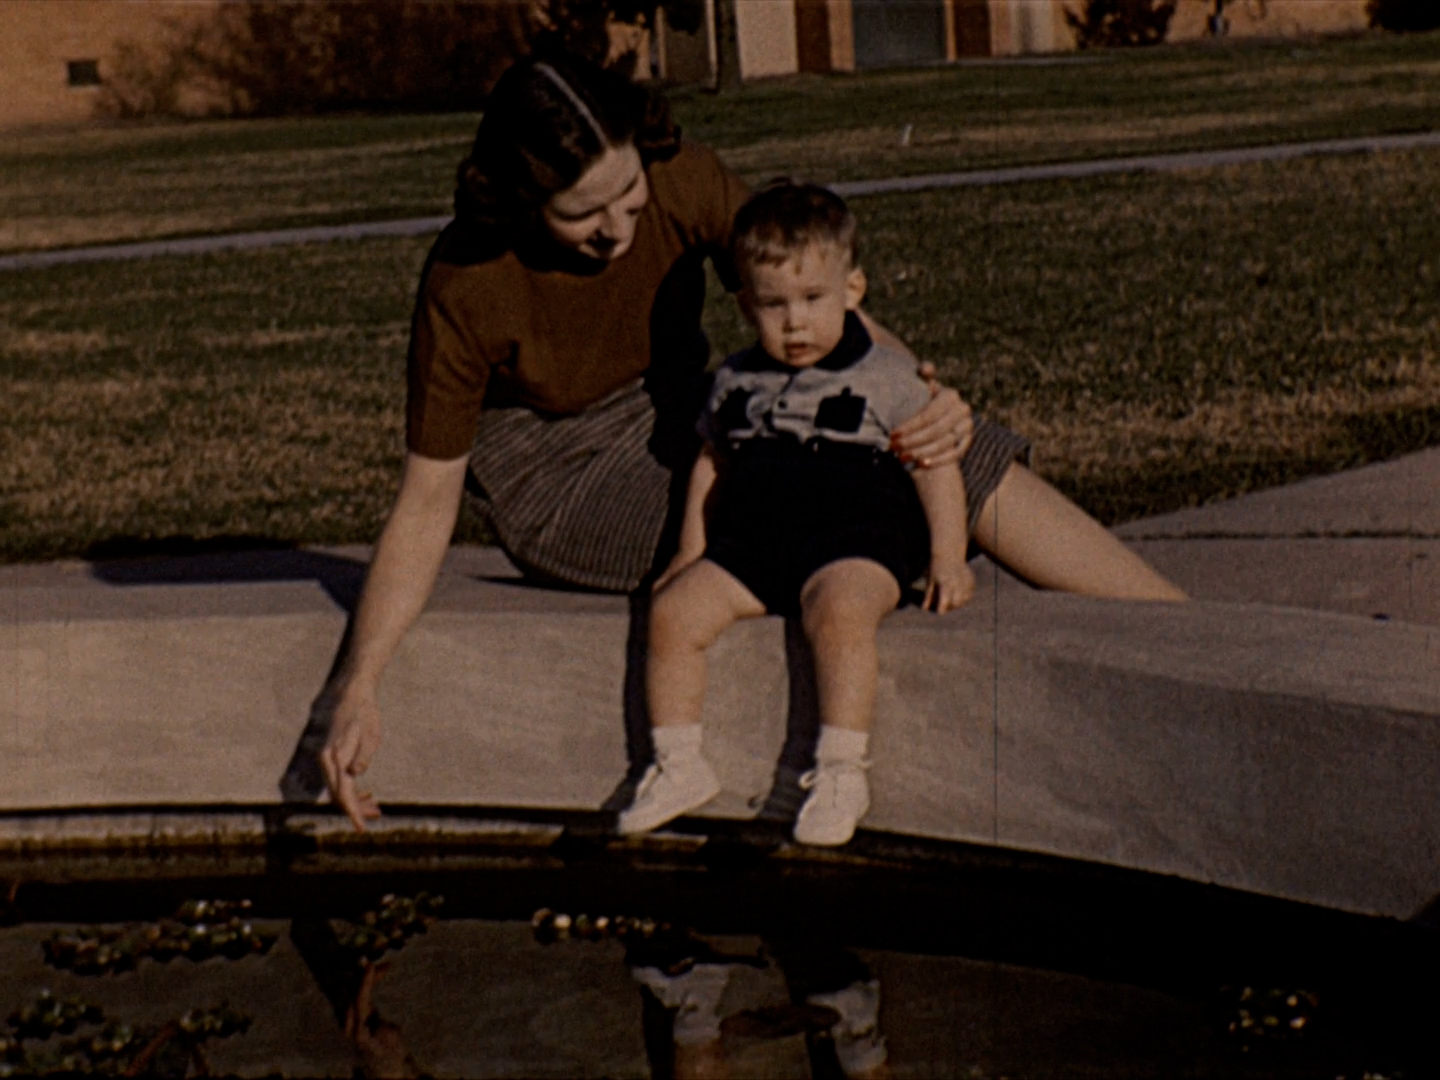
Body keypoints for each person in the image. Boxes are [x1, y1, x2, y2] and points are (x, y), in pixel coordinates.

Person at [319, 51, 1185, 833]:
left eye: (629, 197)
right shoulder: (465, 283)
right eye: (585, 215)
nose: (620, 230)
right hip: (565, 473)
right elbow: (429, 499)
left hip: (697, 404)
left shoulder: (679, 178)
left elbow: (813, 292)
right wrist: (359, 682)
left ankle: (1186, 633)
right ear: (519, 197)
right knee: (792, 495)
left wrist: (919, 398)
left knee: (936, 445)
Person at [618, 182, 974, 846]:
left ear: (853, 289)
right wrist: (691, 550)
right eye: (774, 306)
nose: (796, 324)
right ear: (746, 304)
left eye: (813, 301)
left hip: (856, 541)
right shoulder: (735, 381)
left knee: (838, 616)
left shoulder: (888, 378)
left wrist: (949, 557)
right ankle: (677, 762)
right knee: (671, 614)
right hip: (754, 546)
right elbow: (712, 464)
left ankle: (840, 769)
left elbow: (935, 466)